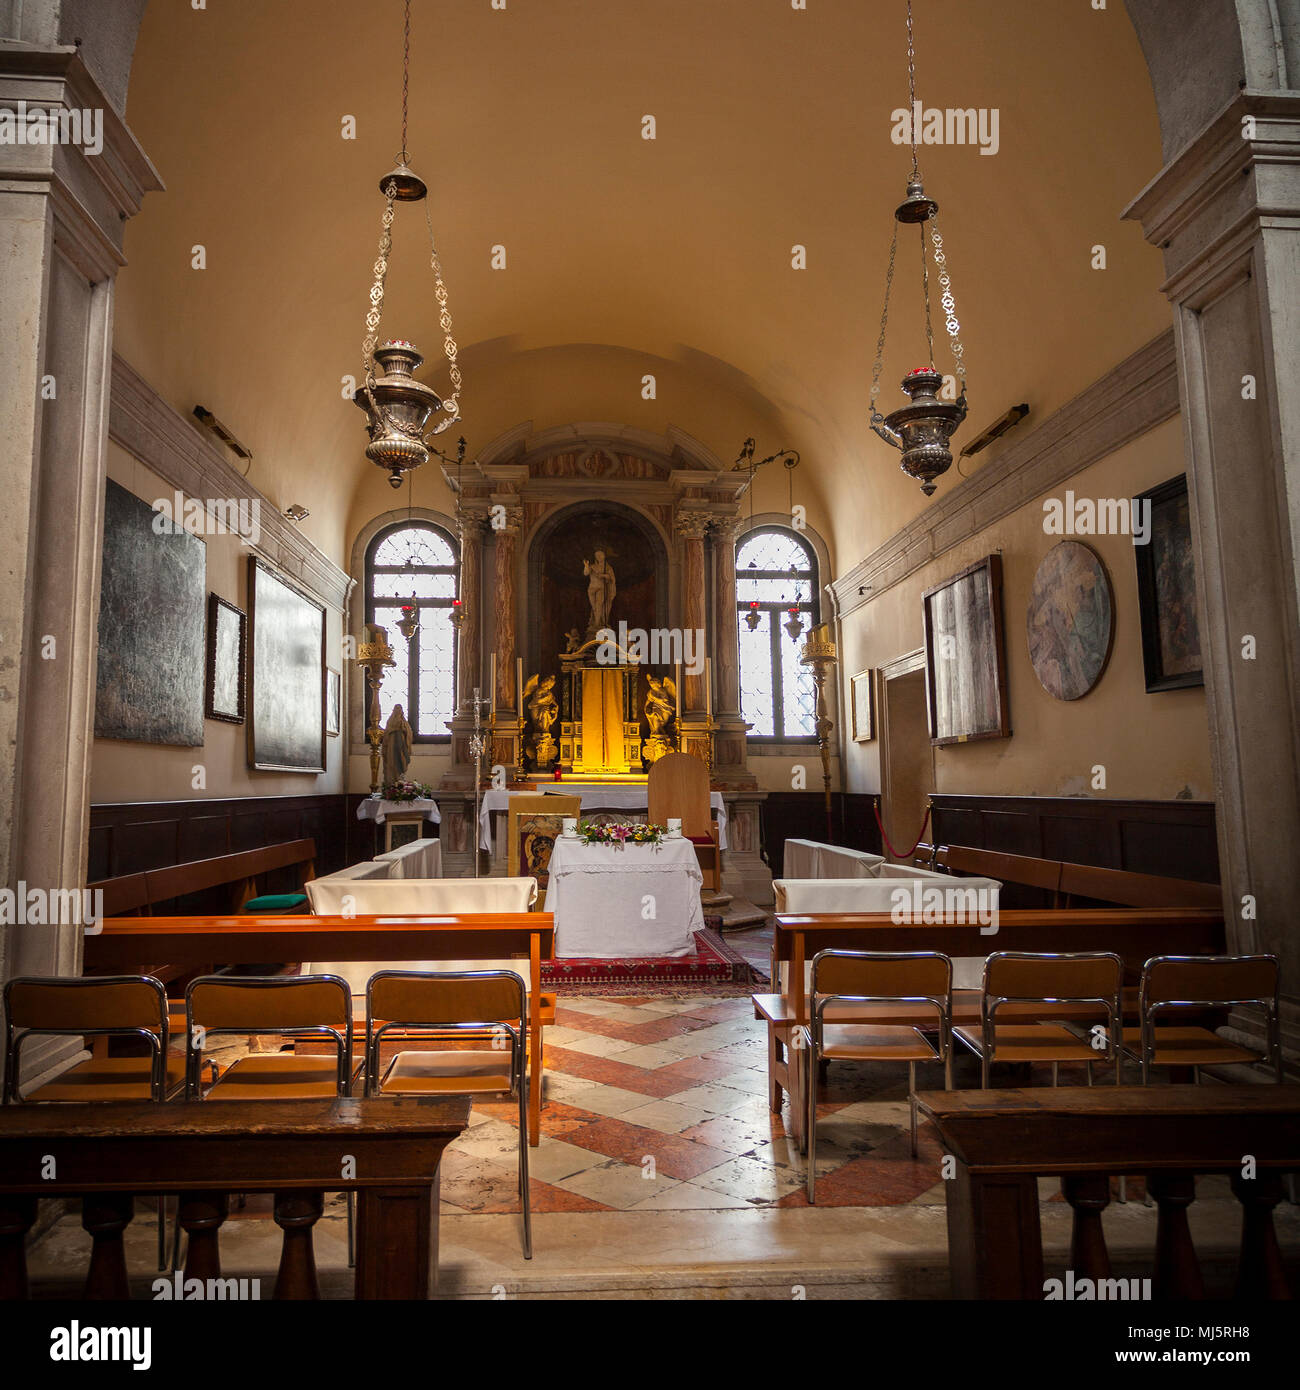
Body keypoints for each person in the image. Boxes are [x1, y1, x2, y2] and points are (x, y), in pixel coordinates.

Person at [583, 549, 616, 635]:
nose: (598, 557)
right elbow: (586, 573)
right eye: (597, 555)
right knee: (594, 606)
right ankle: (596, 623)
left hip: (601, 588)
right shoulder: (593, 566)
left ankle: (597, 625)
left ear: (604, 556)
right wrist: (586, 565)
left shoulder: (608, 567)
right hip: (591, 589)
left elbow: (611, 578)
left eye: (600, 555)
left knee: (599, 604)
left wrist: (603, 575)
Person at [381, 703, 413, 785]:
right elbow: (387, 732)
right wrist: (394, 729)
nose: (398, 710)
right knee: (391, 762)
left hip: (402, 745)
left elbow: (409, 733)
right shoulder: (390, 721)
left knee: (402, 761)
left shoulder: (404, 722)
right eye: (397, 708)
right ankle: (391, 782)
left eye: (400, 708)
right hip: (391, 745)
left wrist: (404, 729)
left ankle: (400, 779)